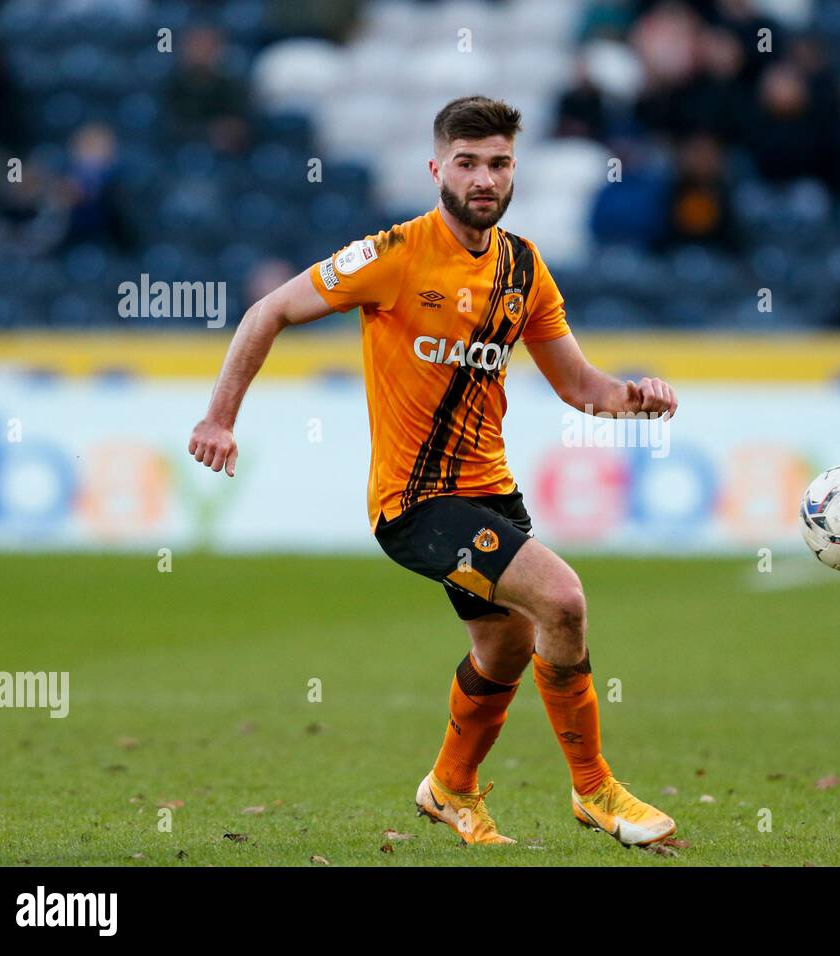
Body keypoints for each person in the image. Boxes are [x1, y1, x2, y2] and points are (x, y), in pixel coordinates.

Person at [187, 96, 679, 848]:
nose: (484, 178)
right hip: (415, 503)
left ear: (516, 169)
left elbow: (582, 388)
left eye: (499, 163)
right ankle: (596, 791)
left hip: (491, 495)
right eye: (468, 163)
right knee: (563, 601)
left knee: (507, 646)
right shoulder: (392, 255)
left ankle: (449, 788)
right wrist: (220, 417)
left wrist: (634, 400)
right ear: (436, 168)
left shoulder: (523, 267)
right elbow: (268, 310)